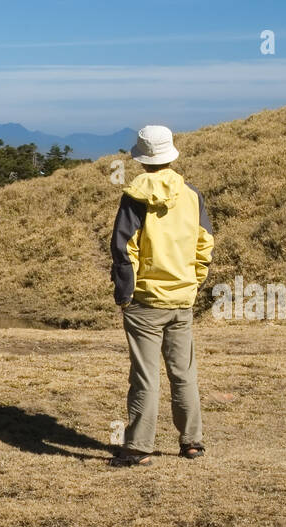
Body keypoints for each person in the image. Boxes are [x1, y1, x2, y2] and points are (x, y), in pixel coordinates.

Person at [109, 125, 214, 467]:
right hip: (182, 299)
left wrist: (124, 295)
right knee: (183, 373)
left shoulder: (135, 197)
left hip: (145, 301)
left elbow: (125, 250)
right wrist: (193, 283)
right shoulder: (192, 194)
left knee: (145, 377)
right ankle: (192, 442)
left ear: (141, 158)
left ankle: (139, 447)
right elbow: (204, 245)